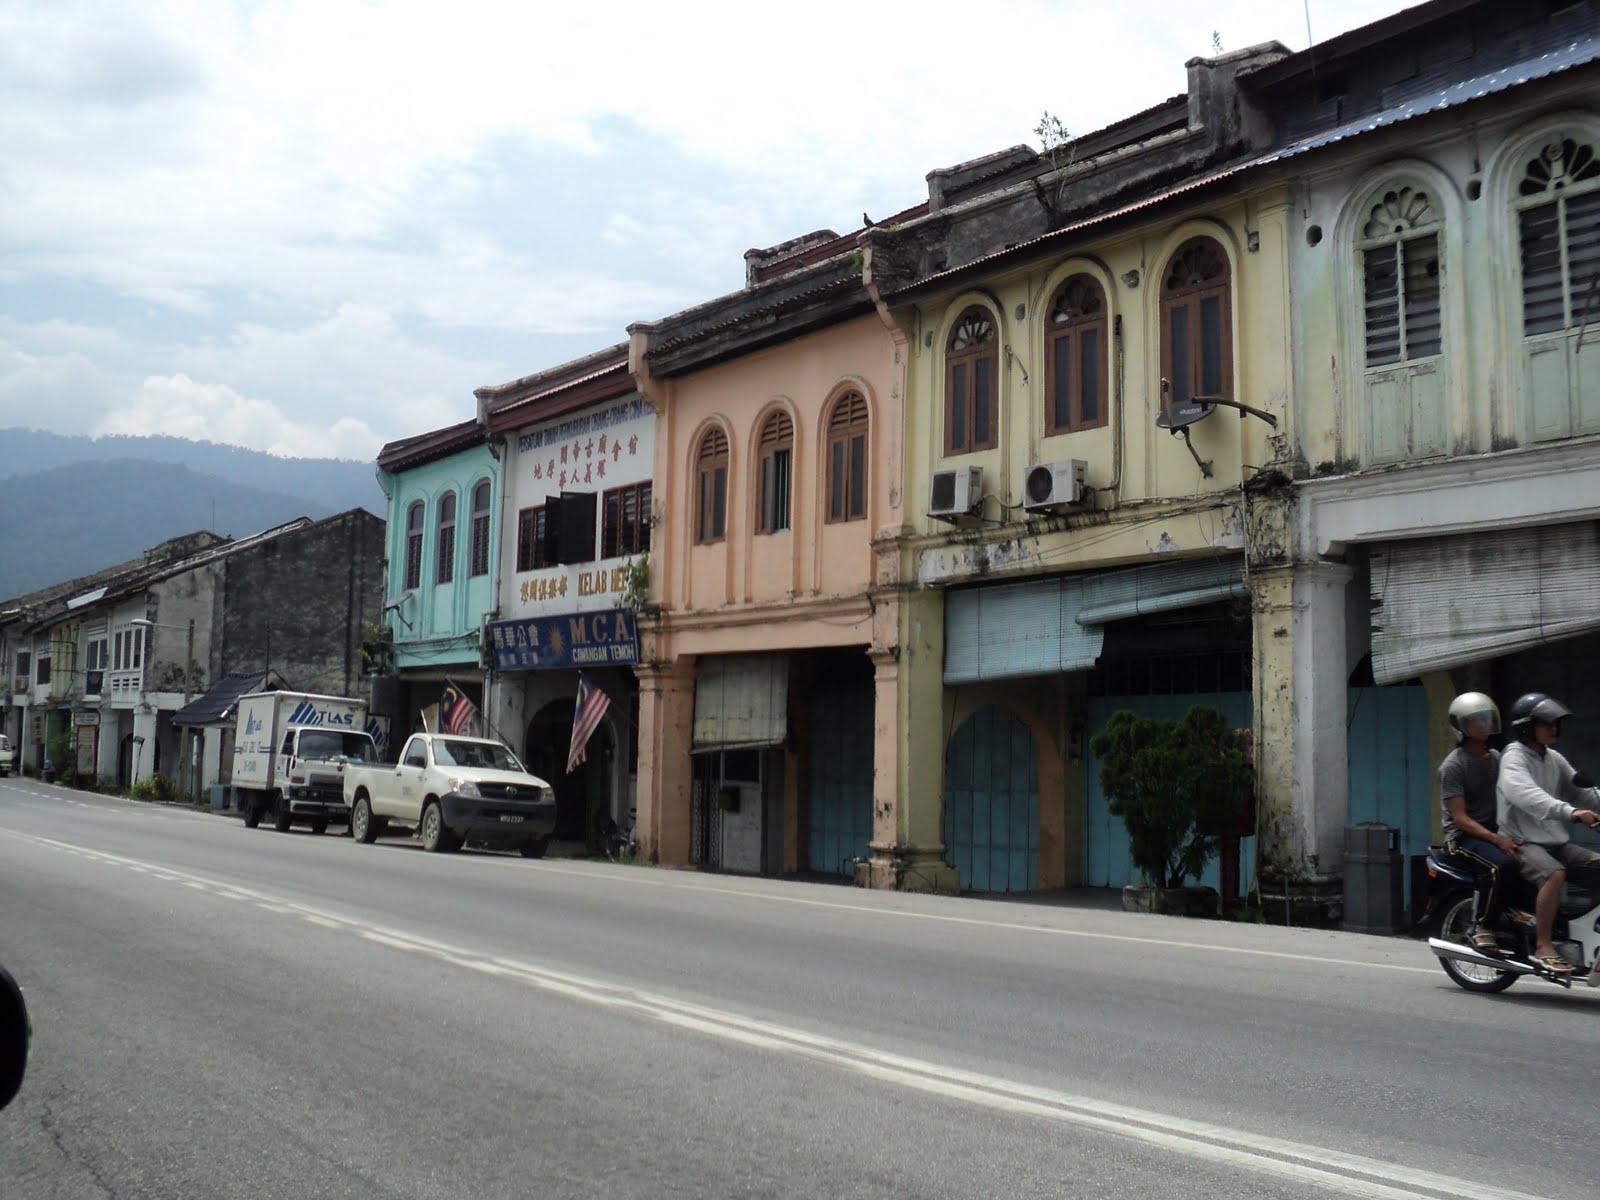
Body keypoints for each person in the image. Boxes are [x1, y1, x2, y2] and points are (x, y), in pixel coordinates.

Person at [1496, 692, 1600, 974]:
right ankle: (1544, 945)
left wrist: (1589, 804)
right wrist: (1571, 813)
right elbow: (1526, 795)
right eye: (1546, 723)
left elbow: (1582, 792)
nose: (1554, 728)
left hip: (1555, 841)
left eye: (1556, 723)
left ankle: (1583, 936)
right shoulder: (1513, 758)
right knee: (1555, 873)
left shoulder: (1553, 758)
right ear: (1527, 726)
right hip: (1523, 842)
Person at [1435, 693, 1518, 952]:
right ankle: (1481, 928)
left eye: (1485, 718)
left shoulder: (1495, 758)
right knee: (1499, 866)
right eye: (1475, 720)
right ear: (1462, 727)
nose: (1483, 724)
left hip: (1493, 832)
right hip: (1461, 839)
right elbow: (1460, 818)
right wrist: (1497, 840)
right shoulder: (1453, 766)